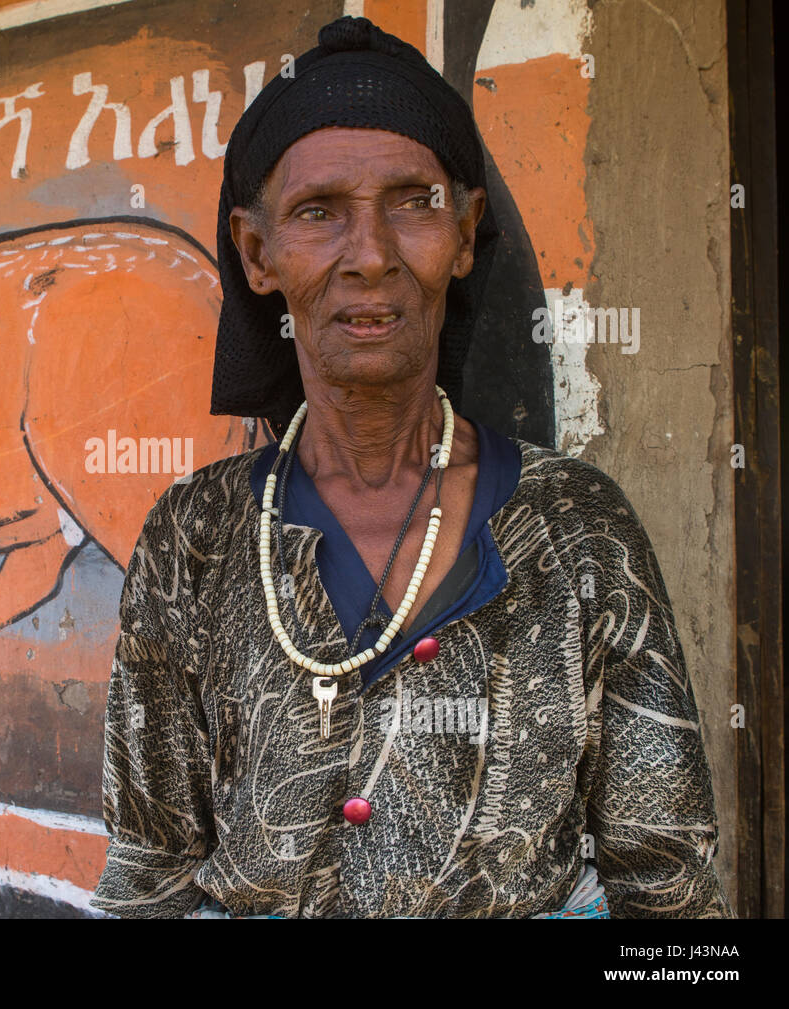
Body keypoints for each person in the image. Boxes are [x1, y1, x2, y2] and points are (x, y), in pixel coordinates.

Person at [88, 15, 731, 918]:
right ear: (257, 251)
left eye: (413, 201)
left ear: (465, 235)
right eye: (319, 213)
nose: (373, 254)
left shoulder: (578, 529)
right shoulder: (193, 542)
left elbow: (674, 897)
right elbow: (148, 870)